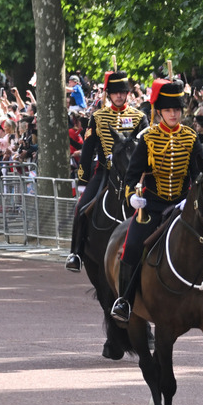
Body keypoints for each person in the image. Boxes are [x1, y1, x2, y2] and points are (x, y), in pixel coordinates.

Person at [111, 81, 203, 323]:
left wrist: (192, 197)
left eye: (176, 109)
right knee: (132, 246)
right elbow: (132, 174)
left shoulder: (190, 137)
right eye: (168, 110)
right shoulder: (148, 138)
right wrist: (132, 197)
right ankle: (125, 300)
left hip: (183, 206)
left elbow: (200, 173)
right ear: (160, 112)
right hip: (153, 207)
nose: (173, 114)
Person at [66, 72, 146, 271]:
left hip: (132, 176)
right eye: (115, 93)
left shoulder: (139, 117)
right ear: (109, 95)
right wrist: (83, 180)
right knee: (82, 208)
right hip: (105, 172)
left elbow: (146, 148)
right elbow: (88, 149)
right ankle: (76, 252)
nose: (119, 96)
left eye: (123, 92)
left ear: (128, 94)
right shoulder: (98, 117)